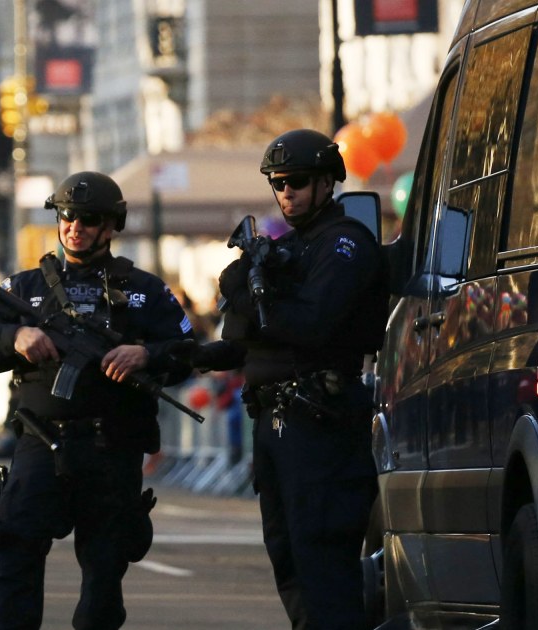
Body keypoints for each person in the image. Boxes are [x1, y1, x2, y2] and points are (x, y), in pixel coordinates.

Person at [169, 129, 387, 630]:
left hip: (320, 424)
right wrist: (181, 356)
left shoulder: (345, 244)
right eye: (278, 183)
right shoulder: (289, 249)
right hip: (275, 423)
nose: (286, 192)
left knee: (323, 566)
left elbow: (312, 323)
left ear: (328, 182)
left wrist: (249, 292)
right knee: (289, 562)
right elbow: (244, 342)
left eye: (297, 181)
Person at [0, 171, 196, 629]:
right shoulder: (24, 287)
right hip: (40, 443)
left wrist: (146, 353)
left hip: (112, 447)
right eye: (69, 215)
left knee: (104, 574)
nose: (76, 226)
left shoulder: (145, 291)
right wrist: (16, 335)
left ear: (111, 226)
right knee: (16, 556)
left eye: (89, 219)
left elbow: (187, 349)